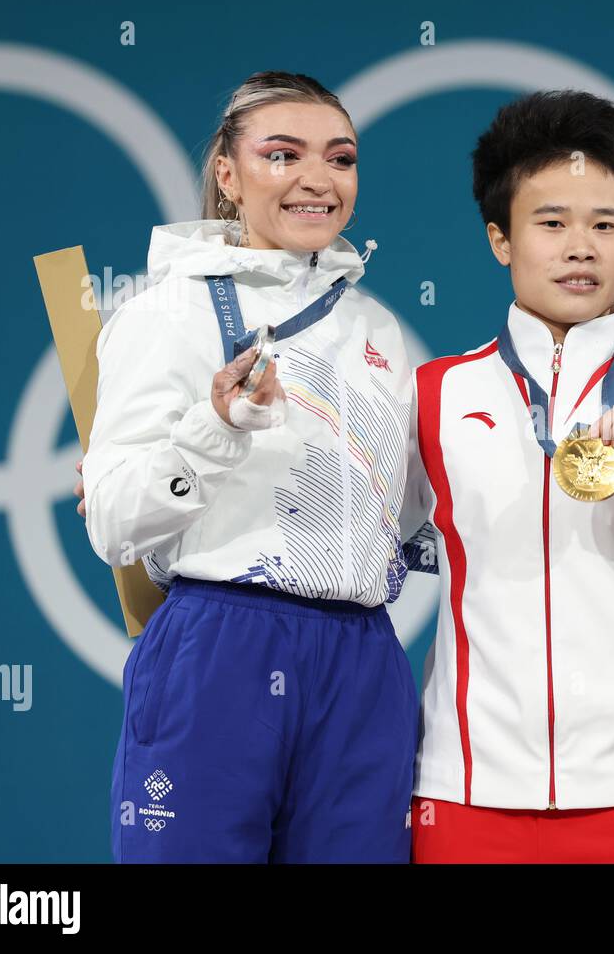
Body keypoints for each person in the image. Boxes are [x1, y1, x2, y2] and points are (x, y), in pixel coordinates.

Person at [76, 71, 417, 863]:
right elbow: (117, 521)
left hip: (363, 660)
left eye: (340, 158)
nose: (316, 179)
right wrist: (215, 428)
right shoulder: (166, 313)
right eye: (282, 154)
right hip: (222, 643)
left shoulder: (378, 330)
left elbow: (409, 513)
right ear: (227, 175)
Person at [401, 90, 614, 863]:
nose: (580, 247)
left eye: (605, 224)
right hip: (465, 790)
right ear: (501, 238)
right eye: (551, 223)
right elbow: (350, 549)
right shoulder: (430, 394)